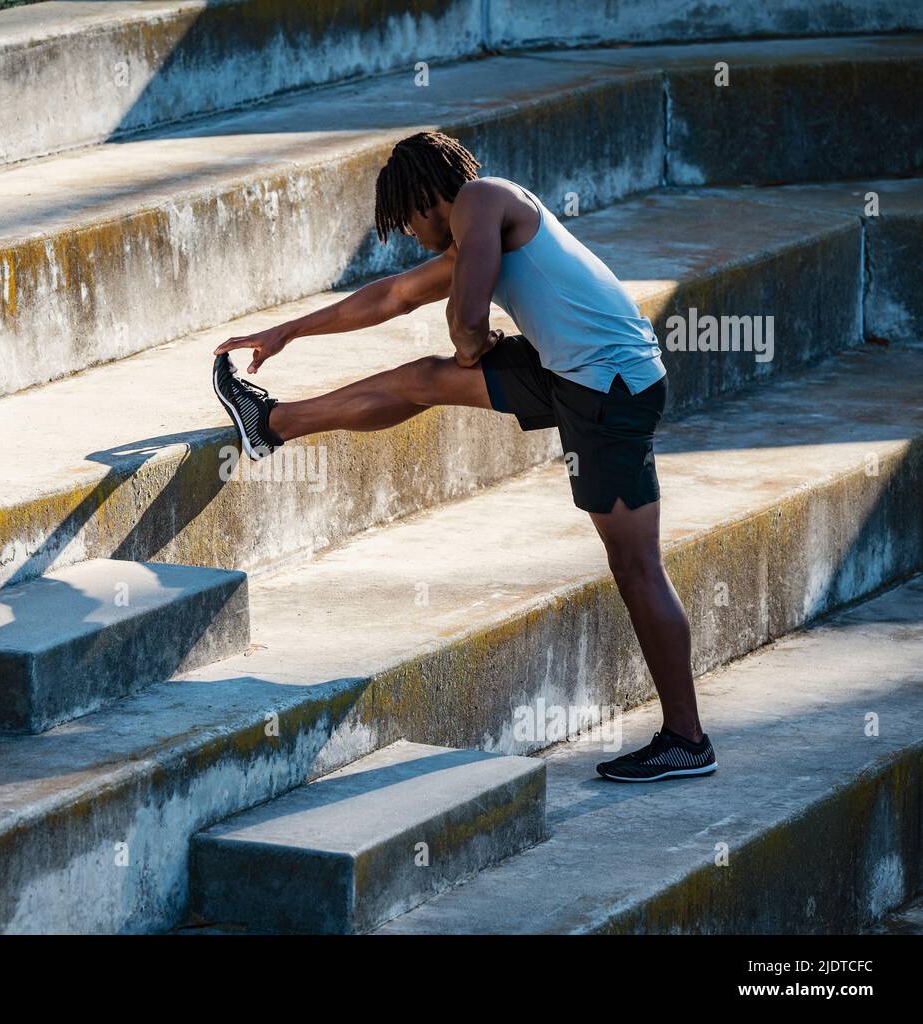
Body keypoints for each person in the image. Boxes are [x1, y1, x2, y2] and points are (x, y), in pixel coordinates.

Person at [211, 131, 716, 782]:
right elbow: (393, 296)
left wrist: (474, 345)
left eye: (405, 219)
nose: (410, 236)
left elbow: (467, 318)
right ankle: (270, 423)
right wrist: (288, 330)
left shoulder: (481, 202)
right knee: (424, 378)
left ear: (427, 197)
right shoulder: (483, 224)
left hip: (611, 391)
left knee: (637, 566)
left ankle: (686, 738)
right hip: (577, 374)